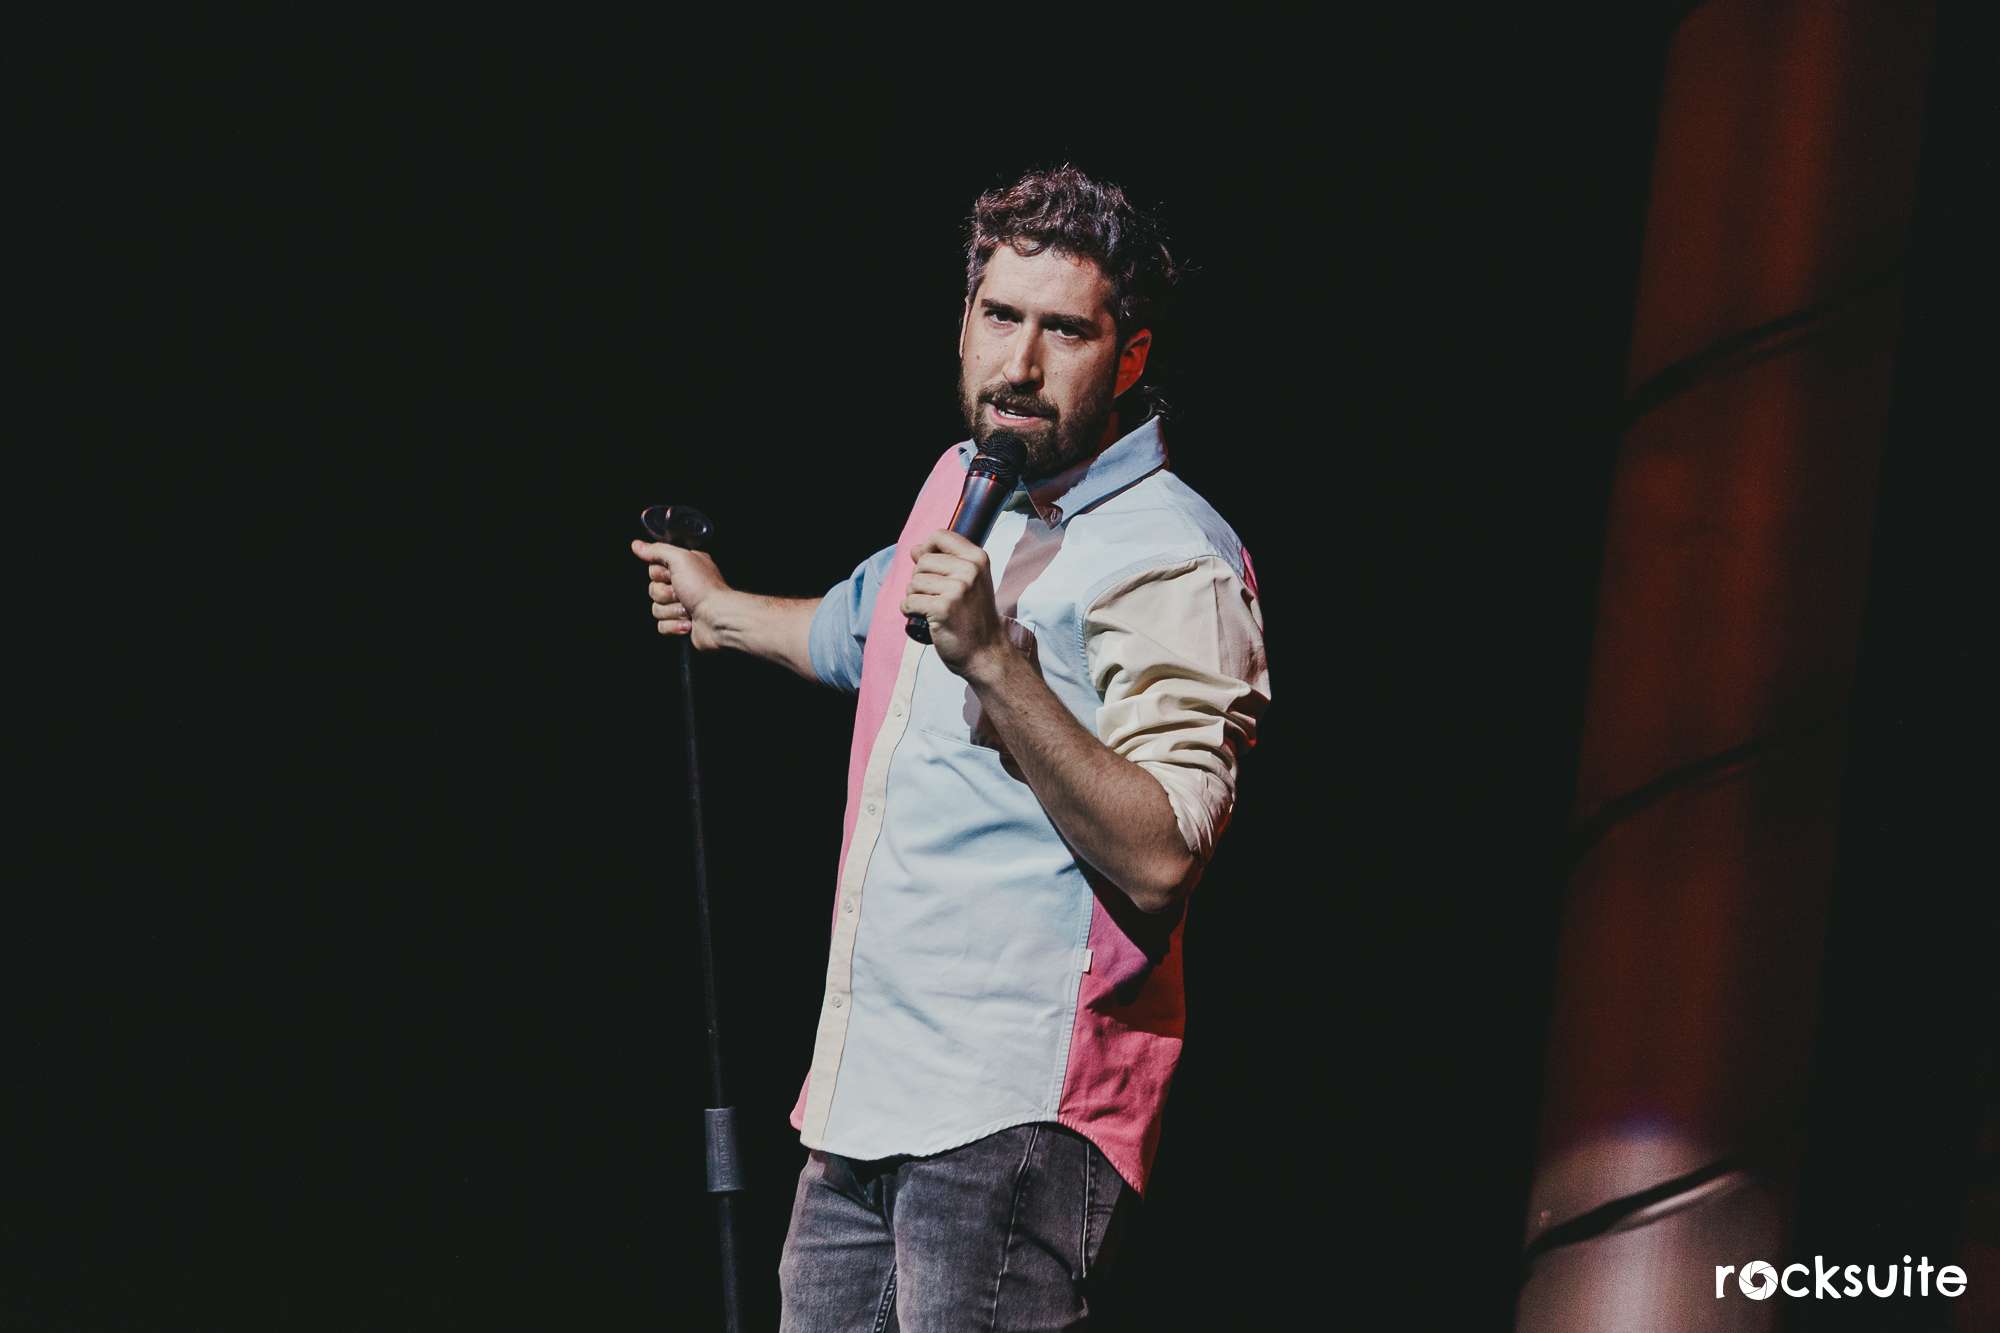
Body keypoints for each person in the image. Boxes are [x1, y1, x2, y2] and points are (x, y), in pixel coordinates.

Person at [632, 165, 1270, 1331]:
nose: (1019, 365)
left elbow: (1163, 857)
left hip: (1012, 1110)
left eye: (1064, 330)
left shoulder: (1171, 555)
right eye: (998, 317)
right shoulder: (964, 485)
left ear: (1128, 356)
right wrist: (721, 612)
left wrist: (997, 663)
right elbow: (863, 631)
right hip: (860, 1103)